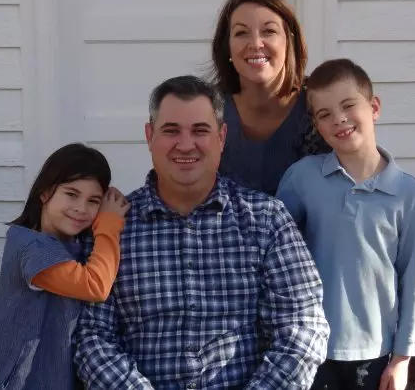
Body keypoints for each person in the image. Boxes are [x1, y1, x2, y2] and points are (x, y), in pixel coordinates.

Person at [74, 75, 329, 389]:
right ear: (149, 135)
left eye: (200, 130)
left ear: (222, 138)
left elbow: (303, 329)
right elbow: (92, 336)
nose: (185, 144)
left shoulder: (267, 220)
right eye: (171, 131)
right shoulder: (112, 227)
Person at [276, 59, 415, 390]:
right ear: (316, 125)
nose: (339, 120)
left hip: (376, 353)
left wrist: (402, 359)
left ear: (374, 107)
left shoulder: (409, 194)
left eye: (348, 105)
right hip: (310, 348)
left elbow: (412, 280)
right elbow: (276, 260)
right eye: (325, 114)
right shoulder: (302, 178)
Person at [0, 143, 130, 390]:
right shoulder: (29, 245)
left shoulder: (73, 246)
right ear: (45, 192)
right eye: (71, 194)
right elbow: (94, 285)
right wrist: (109, 223)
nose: (81, 208)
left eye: (94, 200)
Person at [211, 0, 330, 196]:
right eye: (241, 33)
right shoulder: (207, 109)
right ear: (227, 47)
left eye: (269, 31)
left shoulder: (322, 103)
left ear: (289, 41)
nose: (256, 44)